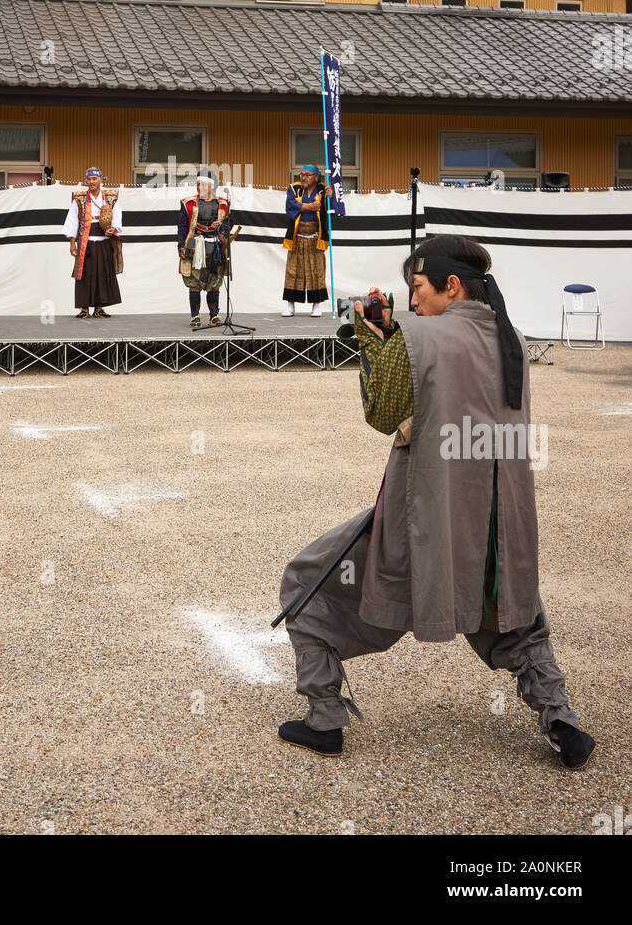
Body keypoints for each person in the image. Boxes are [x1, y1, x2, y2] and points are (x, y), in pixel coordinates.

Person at [276, 234, 595, 771]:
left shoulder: (418, 337)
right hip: (494, 525)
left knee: (305, 585)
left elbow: (383, 413)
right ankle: (561, 720)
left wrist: (372, 341)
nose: (413, 302)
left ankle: (326, 719)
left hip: (422, 518)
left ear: (451, 284)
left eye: (418, 288)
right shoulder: (511, 335)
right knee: (514, 615)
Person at [64, 168, 123, 319]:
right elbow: (72, 220)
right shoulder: (79, 198)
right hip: (86, 244)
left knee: (102, 274)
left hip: (104, 242)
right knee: (84, 275)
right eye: (89, 179)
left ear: (101, 180)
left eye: (94, 179)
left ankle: (99, 307)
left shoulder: (110, 197)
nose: (91, 182)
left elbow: (117, 214)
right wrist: (72, 242)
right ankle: (84, 308)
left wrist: (113, 228)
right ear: (86, 181)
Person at [178, 172, 230, 328]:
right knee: (194, 282)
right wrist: (181, 245)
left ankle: (214, 316)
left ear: (212, 186)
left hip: (215, 247)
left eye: (204, 184)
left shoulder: (223, 204)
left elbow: (229, 225)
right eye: (198, 184)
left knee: (214, 282)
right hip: (194, 245)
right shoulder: (188, 203)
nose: (200, 187)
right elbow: (182, 226)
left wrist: (221, 226)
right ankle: (195, 316)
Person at [282, 164, 330, 317]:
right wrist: (309, 206)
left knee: (316, 271)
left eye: (307, 175)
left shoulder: (323, 189)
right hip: (297, 237)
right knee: (293, 271)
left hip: (315, 238)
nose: (303, 177)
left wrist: (331, 198)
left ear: (316, 177)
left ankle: (316, 305)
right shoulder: (294, 188)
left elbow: (331, 211)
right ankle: (290, 305)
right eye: (301, 174)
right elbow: (290, 206)